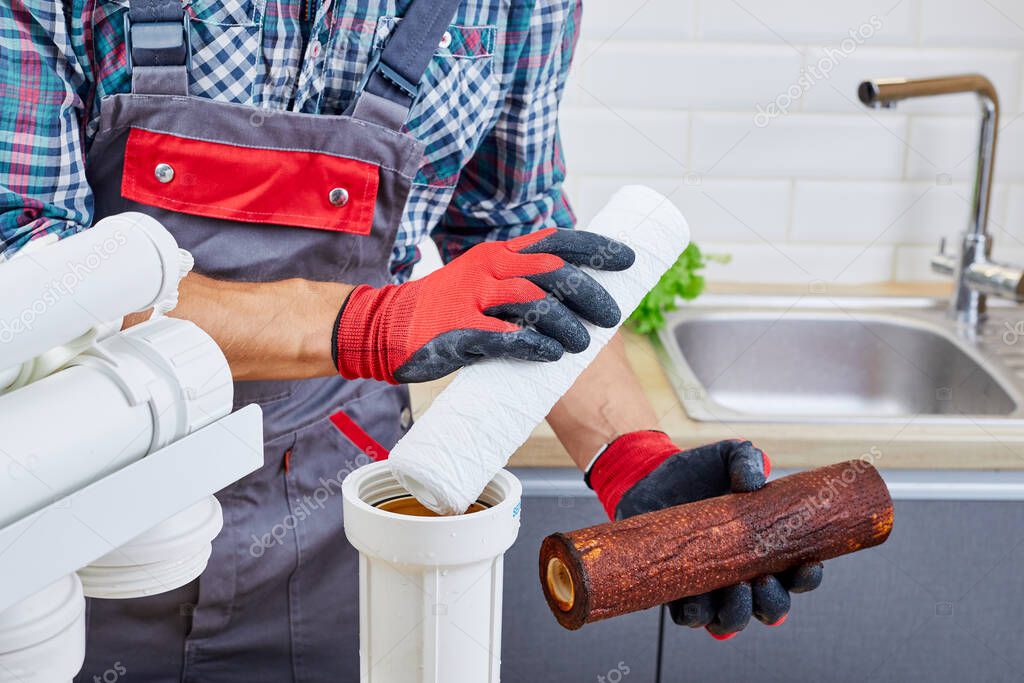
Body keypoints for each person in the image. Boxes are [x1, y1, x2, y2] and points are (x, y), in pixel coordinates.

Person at [0, 0, 822, 680]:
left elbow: (518, 239)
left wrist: (630, 456)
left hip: (341, 530)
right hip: (76, 512)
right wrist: (376, 323)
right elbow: (34, 273)